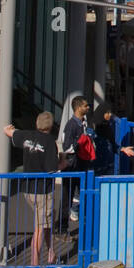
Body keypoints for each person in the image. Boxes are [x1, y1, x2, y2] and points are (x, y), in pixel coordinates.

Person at [4, 113, 62, 268]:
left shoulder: (27, 135)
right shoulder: (50, 142)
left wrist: (9, 129)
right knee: (40, 228)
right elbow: (52, 169)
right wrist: (64, 162)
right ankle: (34, 265)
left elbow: (10, 133)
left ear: (37, 124)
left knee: (46, 223)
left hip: (27, 188)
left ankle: (51, 254)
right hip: (43, 190)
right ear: (50, 126)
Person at [60, 95, 95, 230]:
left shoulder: (84, 123)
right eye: (86, 106)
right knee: (67, 195)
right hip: (71, 165)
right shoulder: (71, 125)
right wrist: (80, 142)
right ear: (79, 107)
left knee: (81, 192)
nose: (88, 108)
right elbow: (66, 146)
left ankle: (83, 223)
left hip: (81, 163)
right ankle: (62, 227)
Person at [92, 106, 134, 175]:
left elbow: (113, 144)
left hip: (109, 165)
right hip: (100, 165)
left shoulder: (108, 128)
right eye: (108, 113)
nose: (110, 115)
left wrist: (123, 149)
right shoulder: (95, 129)